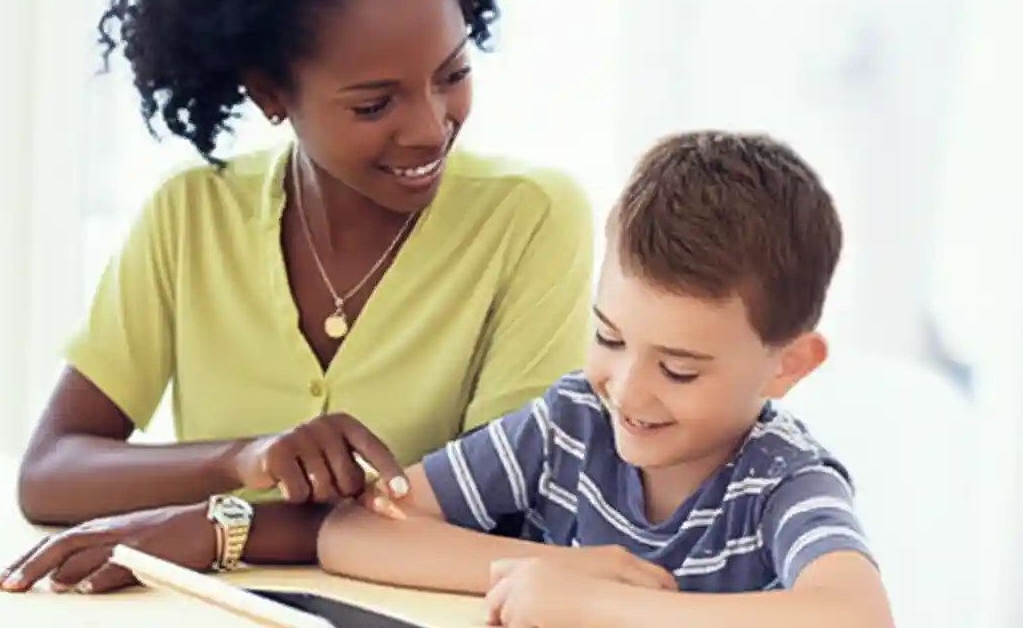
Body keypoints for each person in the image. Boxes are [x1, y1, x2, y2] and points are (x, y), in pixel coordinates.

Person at [0, 0, 593, 596]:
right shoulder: (190, 216)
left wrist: (218, 528)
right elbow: (50, 475)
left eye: (452, 74)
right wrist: (242, 461)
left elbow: (504, 515)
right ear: (271, 93)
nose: (430, 129)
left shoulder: (530, 217)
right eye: (374, 106)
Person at [319, 131, 895, 628]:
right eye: (609, 339)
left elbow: (855, 616)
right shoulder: (569, 425)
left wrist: (605, 604)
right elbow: (354, 531)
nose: (627, 390)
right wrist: (564, 572)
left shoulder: (780, 480)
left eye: (679, 370)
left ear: (788, 365)